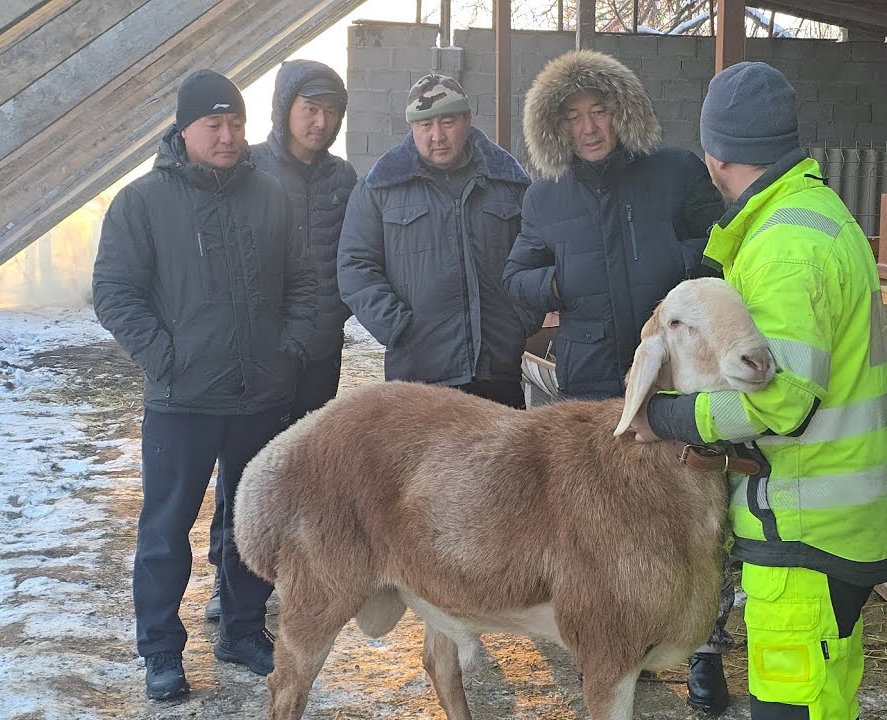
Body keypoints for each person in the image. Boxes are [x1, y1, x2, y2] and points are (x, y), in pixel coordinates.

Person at [626, 62, 887, 720]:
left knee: (789, 708)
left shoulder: (783, 247)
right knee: (827, 702)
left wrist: (664, 418)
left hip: (805, 531)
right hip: (841, 527)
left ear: (713, 155)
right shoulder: (817, 215)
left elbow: (781, 403)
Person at [501, 49, 733, 714]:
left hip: (679, 384)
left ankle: (703, 650)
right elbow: (515, 277)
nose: (590, 127)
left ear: (621, 113)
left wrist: (676, 263)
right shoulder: (546, 196)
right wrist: (557, 282)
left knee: (694, 524)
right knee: (602, 531)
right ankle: (613, 645)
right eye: (574, 118)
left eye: (599, 110)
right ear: (558, 129)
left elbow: (722, 243)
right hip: (592, 384)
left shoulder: (674, 171)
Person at [93, 69, 318, 701]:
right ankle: (161, 650)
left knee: (253, 524)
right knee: (166, 530)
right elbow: (115, 291)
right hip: (182, 400)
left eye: (236, 124)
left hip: (261, 394)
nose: (227, 137)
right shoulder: (143, 203)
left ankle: (243, 630)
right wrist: (164, 358)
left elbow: (303, 281)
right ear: (184, 129)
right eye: (213, 125)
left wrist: (290, 348)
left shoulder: (270, 196)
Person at [204, 59, 357, 624]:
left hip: (320, 349)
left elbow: (354, 254)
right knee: (245, 469)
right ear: (285, 108)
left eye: (331, 111)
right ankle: (230, 580)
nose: (320, 122)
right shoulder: (250, 167)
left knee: (307, 468)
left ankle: (298, 576)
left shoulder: (343, 179)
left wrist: (335, 313)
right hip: (259, 355)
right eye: (309, 109)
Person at [338, 74, 539, 408]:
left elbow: (536, 254)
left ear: (467, 120)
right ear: (411, 128)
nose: (437, 136)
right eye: (425, 125)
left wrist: (520, 319)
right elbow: (355, 267)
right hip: (418, 375)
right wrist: (398, 327)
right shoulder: (381, 187)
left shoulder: (509, 181)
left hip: (497, 370)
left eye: (448, 122)